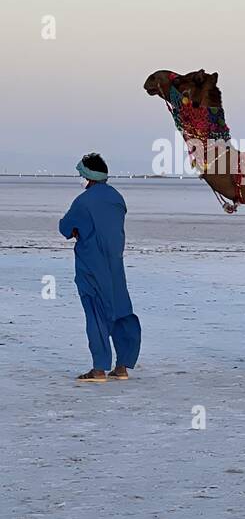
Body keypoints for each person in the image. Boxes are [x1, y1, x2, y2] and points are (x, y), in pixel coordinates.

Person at [58, 154, 142, 382]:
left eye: (81, 174)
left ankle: (98, 369)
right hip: (115, 264)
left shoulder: (83, 201)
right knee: (121, 311)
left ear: (88, 176)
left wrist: (76, 231)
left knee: (96, 314)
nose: (80, 179)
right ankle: (122, 366)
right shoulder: (117, 198)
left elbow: (65, 227)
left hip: (91, 266)